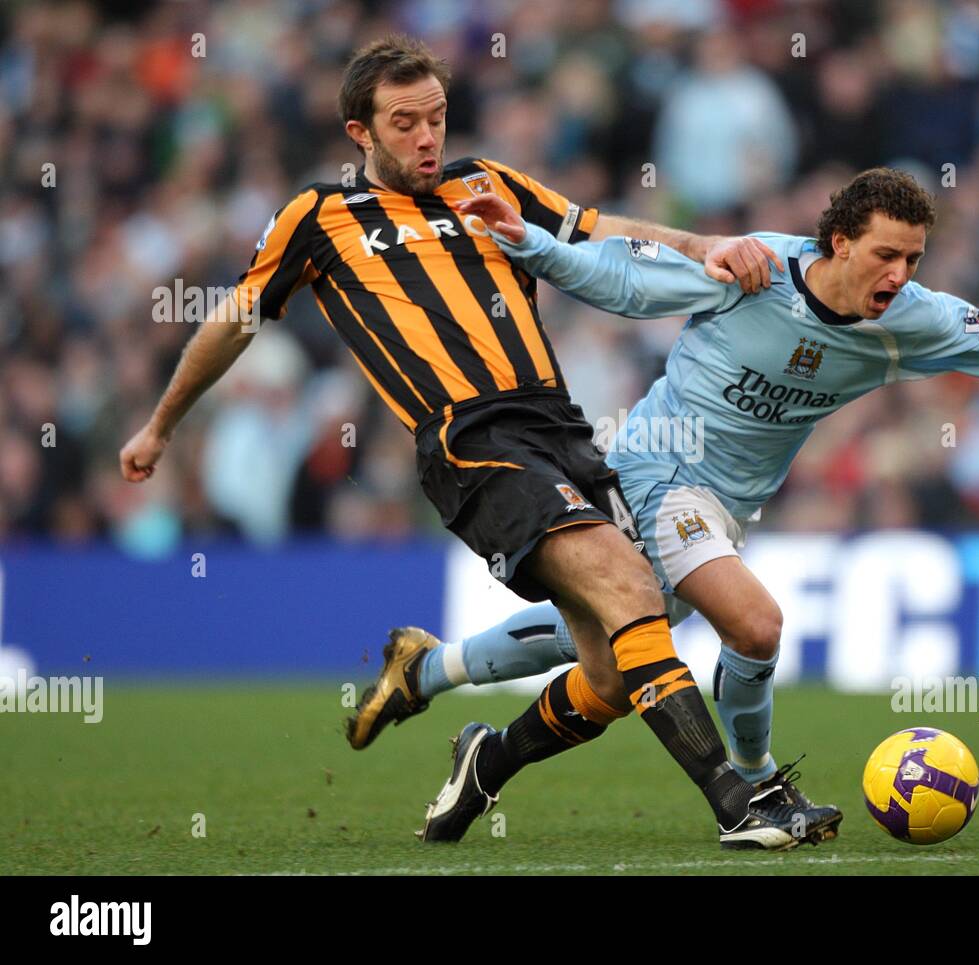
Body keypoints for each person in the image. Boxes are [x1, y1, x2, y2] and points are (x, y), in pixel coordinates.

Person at [118, 34, 840, 851]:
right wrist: (162, 422)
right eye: (404, 123)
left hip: (561, 427)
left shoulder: (483, 183)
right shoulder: (318, 217)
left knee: (607, 674)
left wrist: (703, 247)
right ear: (360, 132)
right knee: (629, 587)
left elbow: (600, 232)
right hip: (470, 438)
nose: (428, 137)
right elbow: (236, 319)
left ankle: (484, 761)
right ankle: (739, 800)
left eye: (437, 117)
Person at [388, 167, 979, 842]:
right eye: (886, 254)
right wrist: (529, 241)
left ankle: (454, 708)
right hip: (657, 468)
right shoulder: (753, 269)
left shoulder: (908, 322)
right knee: (754, 623)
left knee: (607, 654)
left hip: (727, 502)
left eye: (914, 259)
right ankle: (755, 792)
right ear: (837, 243)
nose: (900, 275)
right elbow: (629, 280)